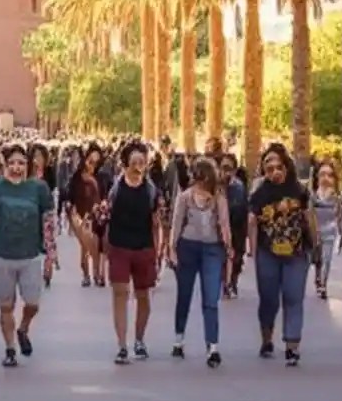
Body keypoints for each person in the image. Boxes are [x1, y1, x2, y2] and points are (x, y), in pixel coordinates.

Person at [0, 144, 56, 368]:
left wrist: (51, 254)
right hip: (1, 254)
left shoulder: (39, 189)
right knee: (6, 306)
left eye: (21, 163)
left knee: (32, 303)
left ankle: (23, 328)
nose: (16, 167)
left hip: (30, 254)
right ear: (5, 165)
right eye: (12, 163)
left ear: (28, 165)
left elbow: (48, 221)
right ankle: (10, 348)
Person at [249, 143, 320, 368]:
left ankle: (292, 346)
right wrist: (252, 251)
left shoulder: (300, 191)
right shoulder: (259, 194)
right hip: (267, 252)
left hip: (296, 252)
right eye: (268, 168)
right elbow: (252, 223)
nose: (274, 172)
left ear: (286, 166)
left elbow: (309, 218)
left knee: (293, 296)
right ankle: (267, 338)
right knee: (268, 299)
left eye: (278, 166)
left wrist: (315, 244)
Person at [170, 157, 233, 368]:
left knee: (210, 298)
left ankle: (212, 346)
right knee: (184, 295)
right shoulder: (185, 197)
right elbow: (176, 223)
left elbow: (224, 224)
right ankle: (179, 338)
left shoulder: (218, 199)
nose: (197, 180)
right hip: (187, 247)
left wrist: (228, 246)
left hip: (212, 249)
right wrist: (172, 248)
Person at [106, 141, 160, 365]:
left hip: (143, 247)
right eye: (135, 161)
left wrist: (159, 250)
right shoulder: (116, 189)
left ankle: (139, 339)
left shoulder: (151, 191)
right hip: (119, 246)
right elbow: (106, 217)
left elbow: (156, 222)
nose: (139, 165)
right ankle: (121, 345)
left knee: (143, 295)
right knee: (120, 294)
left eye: (142, 161)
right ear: (125, 164)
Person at [67, 144, 105, 287]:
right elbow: (70, 196)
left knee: (95, 244)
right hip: (81, 215)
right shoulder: (77, 177)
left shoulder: (101, 177)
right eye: (90, 161)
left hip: (97, 214)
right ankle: (86, 275)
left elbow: (104, 194)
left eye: (96, 162)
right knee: (84, 246)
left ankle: (97, 273)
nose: (92, 165)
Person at [310, 160, 342, 301]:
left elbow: (340, 216)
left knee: (327, 259)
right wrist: (313, 232)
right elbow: (310, 213)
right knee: (318, 259)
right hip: (315, 230)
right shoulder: (313, 196)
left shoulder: (336, 197)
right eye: (322, 174)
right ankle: (318, 279)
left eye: (329, 175)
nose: (326, 178)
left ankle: (324, 284)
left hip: (330, 231)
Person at [220, 154, 249, 299]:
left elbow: (244, 208)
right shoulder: (215, 186)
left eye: (229, 168)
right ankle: (225, 283)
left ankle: (232, 282)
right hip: (220, 228)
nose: (226, 172)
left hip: (237, 228)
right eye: (223, 168)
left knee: (237, 258)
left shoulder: (239, 187)